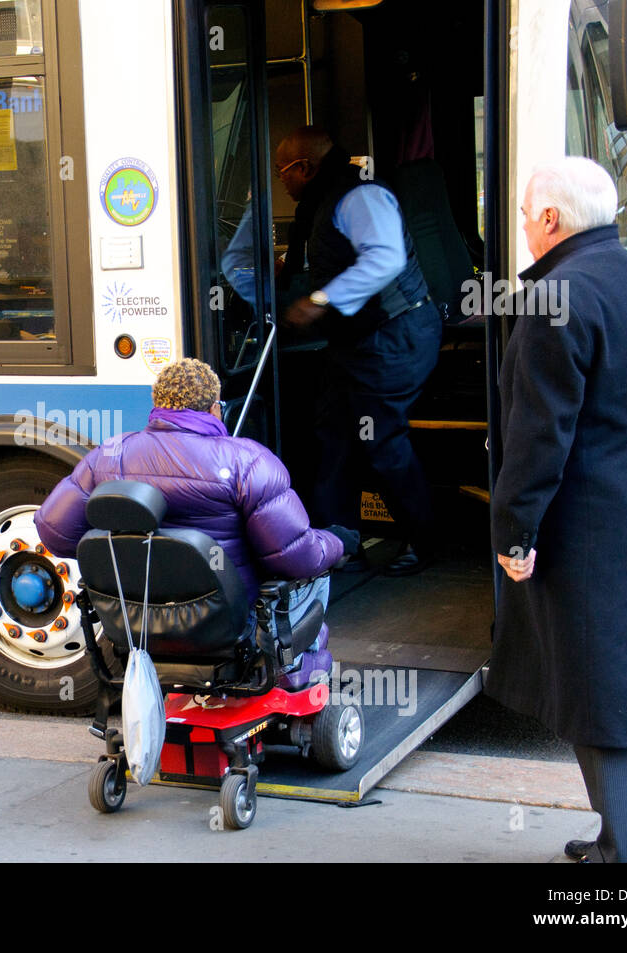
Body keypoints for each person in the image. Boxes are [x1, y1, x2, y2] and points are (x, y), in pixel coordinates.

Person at [488, 157, 627, 863]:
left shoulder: (555, 300)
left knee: (598, 695)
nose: (522, 225)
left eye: (523, 213)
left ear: (551, 219)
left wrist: (516, 533)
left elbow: (537, 437)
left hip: (578, 534)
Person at [34, 358, 359, 686]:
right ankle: (294, 670)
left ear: (158, 405)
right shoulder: (248, 461)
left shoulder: (109, 455)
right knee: (316, 576)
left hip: (136, 625)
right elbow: (296, 556)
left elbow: (54, 532)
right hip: (232, 626)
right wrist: (338, 541)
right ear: (215, 409)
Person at [276, 127, 442, 575]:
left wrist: (319, 300)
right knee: (332, 435)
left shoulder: (358, 197)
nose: (281, 183)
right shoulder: (324, 203)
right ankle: (338, 539)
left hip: (394, 334)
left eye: (282, 173)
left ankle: (423, 538)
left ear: (304, 169)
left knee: (381, 439)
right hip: (356, 341)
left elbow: (384, 259)